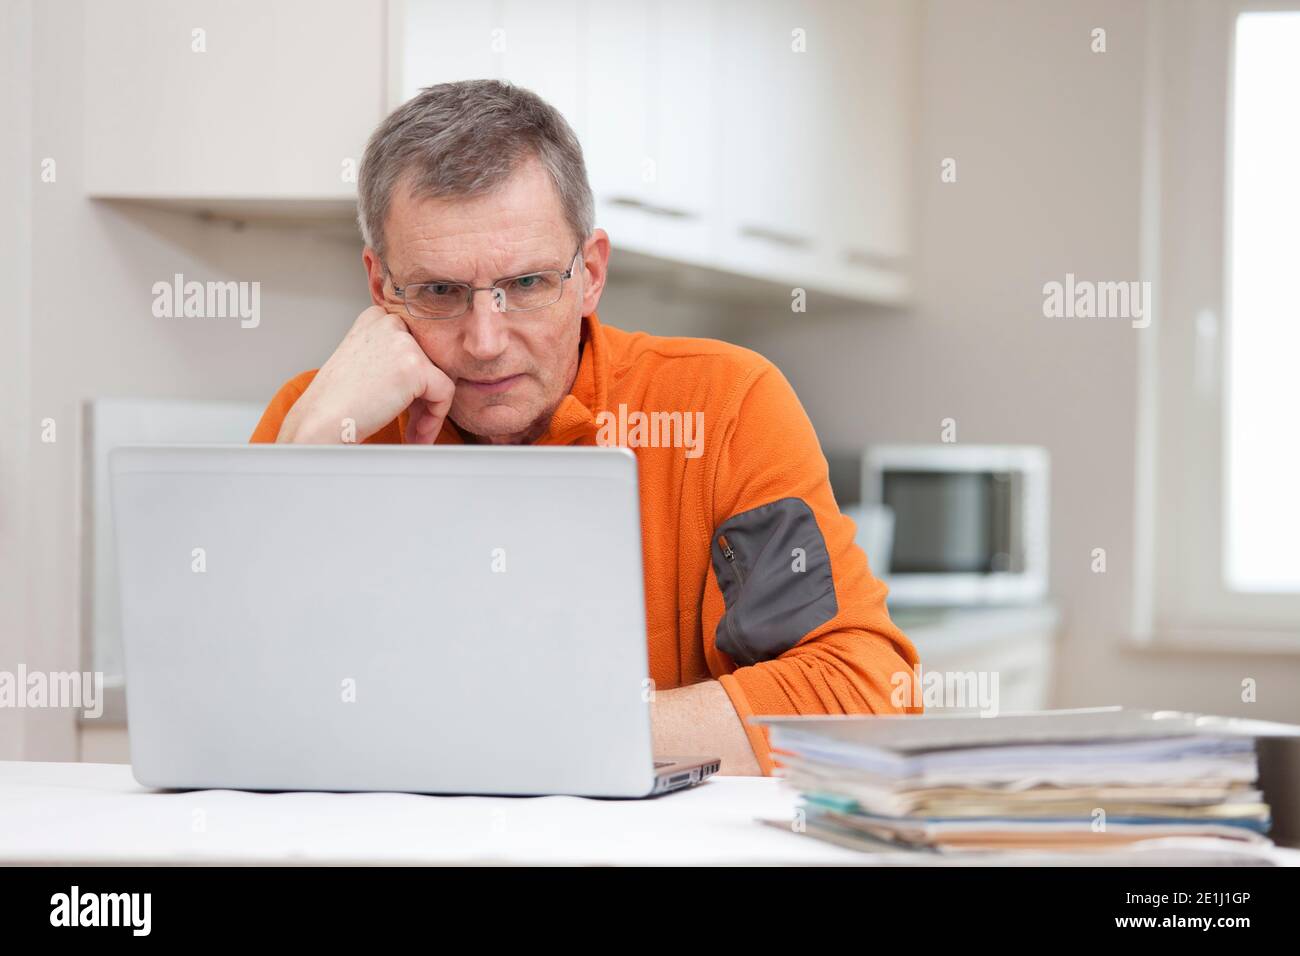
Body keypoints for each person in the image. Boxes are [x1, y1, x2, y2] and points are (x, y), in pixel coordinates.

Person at [251, 79, 920, 775]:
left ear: (591, 274)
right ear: (380, 286)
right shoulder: (324, 422)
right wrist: (309, 449)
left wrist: (550, 731)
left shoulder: (722, 406)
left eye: (530, 284)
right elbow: (229, 699)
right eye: (440, 292)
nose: (485, 341)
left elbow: (864, 693)